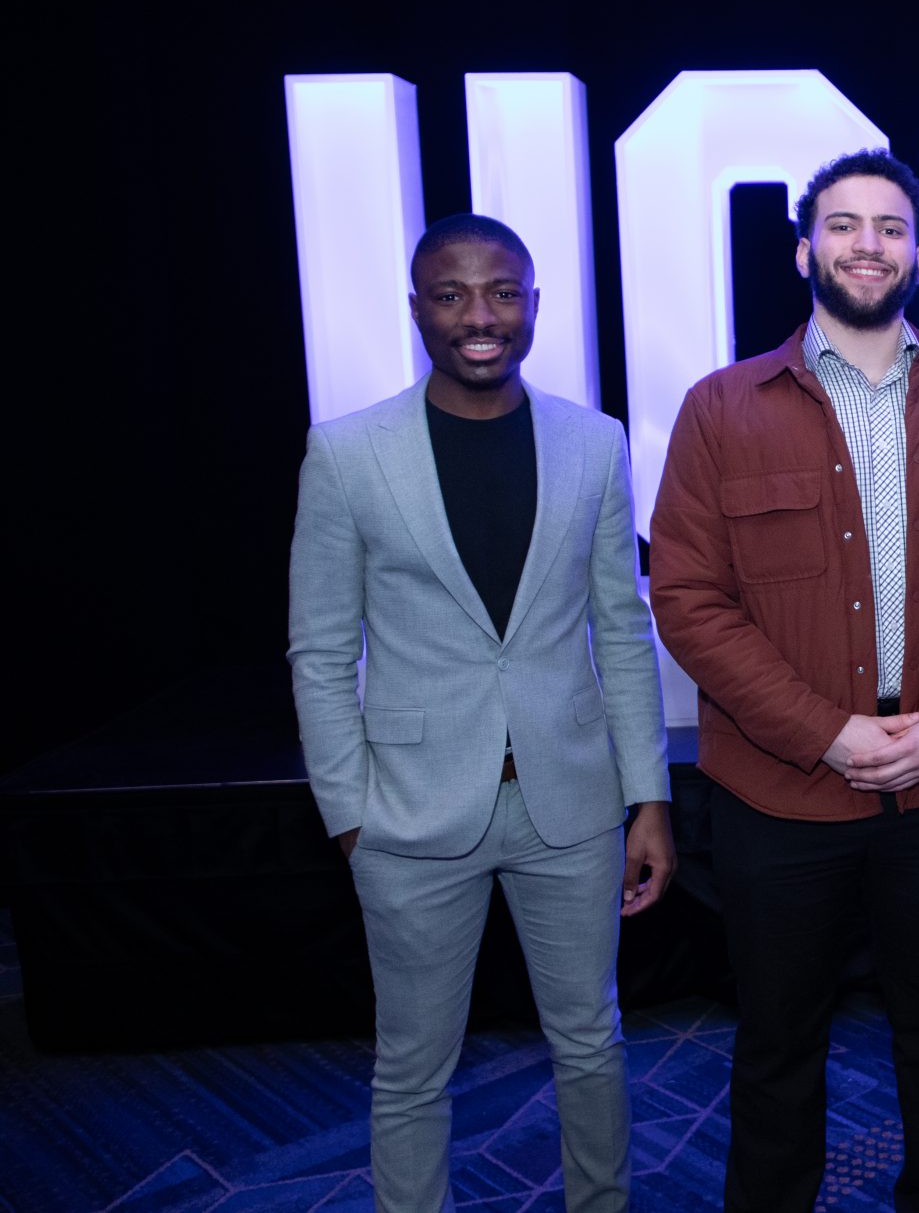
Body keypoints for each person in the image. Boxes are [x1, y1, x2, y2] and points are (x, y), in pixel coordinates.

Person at [649, 149, 919, 1213]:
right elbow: (686, 598)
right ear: (802, 248)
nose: (868, 244)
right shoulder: (721, 409)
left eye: (890, 227)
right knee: (778, 1041)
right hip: (780, 795)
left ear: (918, 251)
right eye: (843, 224)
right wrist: (825, 733)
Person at [287, 213, 675, 1213]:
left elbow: (619, 631)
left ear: (534, 307)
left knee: (589, 1041)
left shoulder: (594, 443)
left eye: (501, 292)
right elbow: (320, 651)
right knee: (412, 1064)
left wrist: (648, 798)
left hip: (570, 803)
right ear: (417, 309)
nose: (479, 315)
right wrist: (347, 810)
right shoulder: (346, 453)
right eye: (452, 294)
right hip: (409, 812)